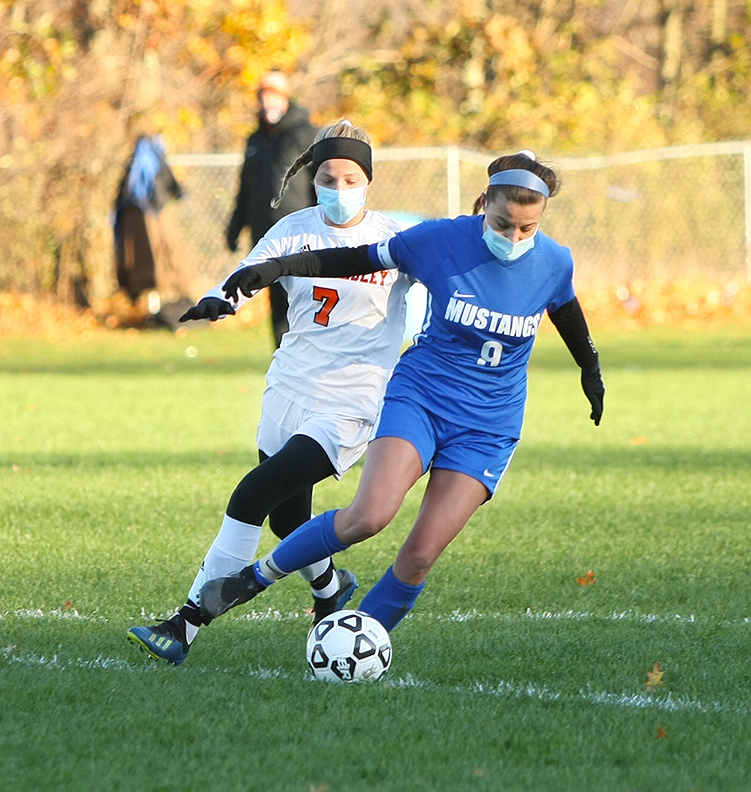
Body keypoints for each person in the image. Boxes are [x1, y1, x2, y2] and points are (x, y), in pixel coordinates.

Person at [197, 151, 606, 635]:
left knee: (417, 558)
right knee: (367, 516)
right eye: (503, 224)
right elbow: (353, 258)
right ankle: (253, 578)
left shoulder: (554, 261)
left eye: (527, 229)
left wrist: (590, 369)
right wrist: (276, 268)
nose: (514, 238)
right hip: (422, 398)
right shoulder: (440, 240)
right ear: (485, 204)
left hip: (489, 427)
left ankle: (356, 641)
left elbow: (567, 311)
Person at [126, 121, 414, 665]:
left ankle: (183, 626)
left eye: (350, 177)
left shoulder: (395, 238)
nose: (338, 187)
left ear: (368, 181)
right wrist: (220, 300)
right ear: (313, 177)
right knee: (288, 517)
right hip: (288, 387)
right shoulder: (294, 229)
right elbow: (245, 274)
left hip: (350, 403)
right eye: (327, 176)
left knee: (251, 497)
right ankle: (330, 593)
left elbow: (447, 276)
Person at [225, 71, 318, 348]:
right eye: (264, 95)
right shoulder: (255, 140)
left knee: (303, 300)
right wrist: (234, 227)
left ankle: (310, 359)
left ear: (286, 98)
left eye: (274, 95)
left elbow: (321, 184)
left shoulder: (306, 134)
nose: (269, 102)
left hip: (301, 236)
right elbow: (246, 187)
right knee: (277, 304)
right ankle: (282, 359)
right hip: (267, 237)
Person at [113, 134, 188, 318]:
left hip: (144, 218)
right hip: (154, 218)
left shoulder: (134, 162)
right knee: (156, 263)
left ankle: (158, 311)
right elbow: (174, 188)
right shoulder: (155, 157)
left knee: (154, 263)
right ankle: (156, 312)